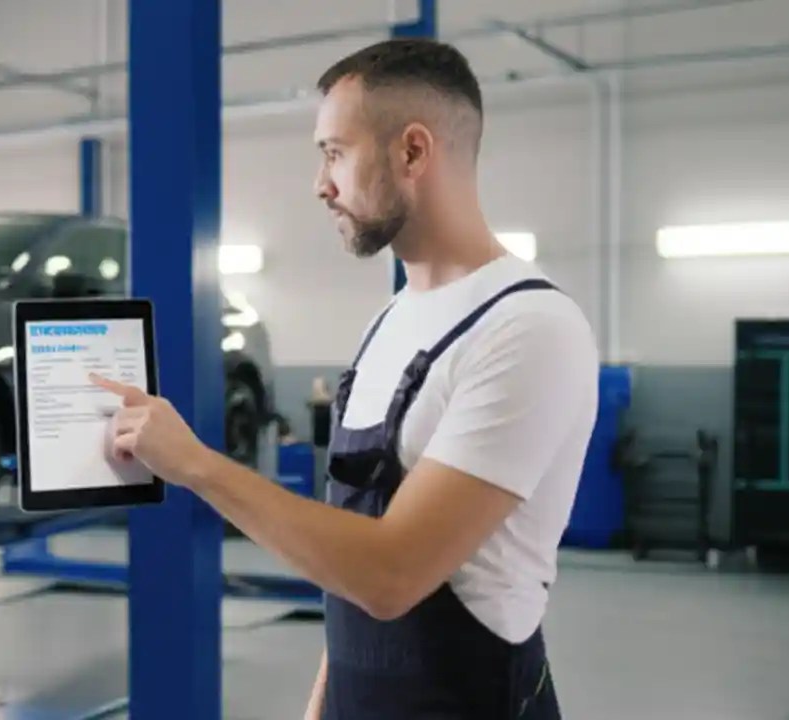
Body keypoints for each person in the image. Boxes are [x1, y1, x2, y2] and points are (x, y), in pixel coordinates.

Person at [91, 38, 598, 720]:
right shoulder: (389, 321)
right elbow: (348, 545)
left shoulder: (529, 329)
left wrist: (195, 466)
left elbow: (392, 574)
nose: (320, 184)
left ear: (412, 152)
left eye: (335, 152)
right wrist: (325, 698)